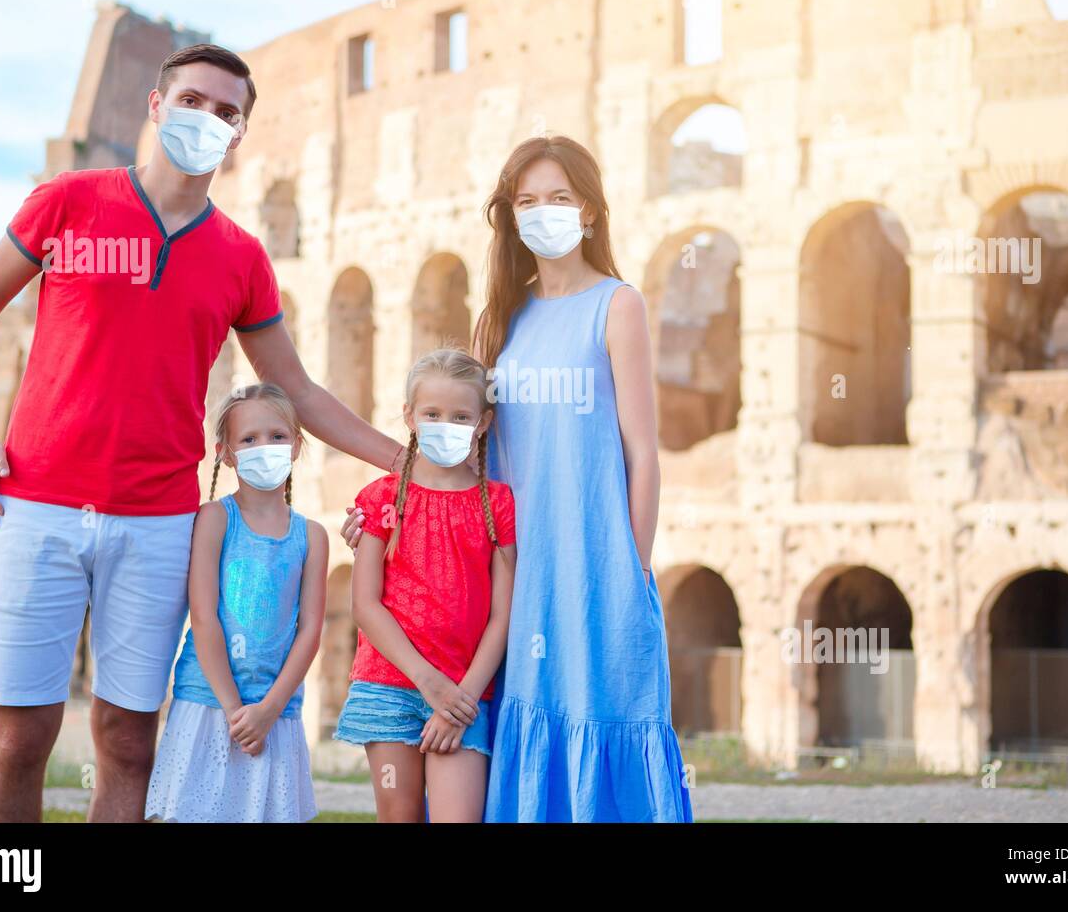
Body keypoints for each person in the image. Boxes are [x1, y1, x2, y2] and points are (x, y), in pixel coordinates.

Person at [0, 43, 408, 822]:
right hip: (37, 505)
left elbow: (295, 389)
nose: (208, 120)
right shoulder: (68, 201)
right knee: (16, 740)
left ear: (239, 138)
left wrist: (405, 462)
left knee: (128, 740)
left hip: (159, 522)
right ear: (157, 108)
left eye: (228, 114)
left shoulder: (240, 257)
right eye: (193, 101)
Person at [344, 135, 692, 821]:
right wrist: (390, 509)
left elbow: (642, 451)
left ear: (588, 211)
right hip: (505, 565)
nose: (543, 213)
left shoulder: (618, 306)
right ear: (510, 215)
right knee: (519, 725)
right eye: (527, 200)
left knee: (602, 712)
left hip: (594, 564)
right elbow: (456, 451)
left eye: (559, 198)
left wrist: (634, 563)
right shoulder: (499, 319)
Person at [333, 348, 516, 822]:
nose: (445, 424)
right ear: (410, 416)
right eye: (432, 414)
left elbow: (502, 615)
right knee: (400, 814)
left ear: (482, 423)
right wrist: (427, 681)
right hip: (390, 684)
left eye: (460, 416)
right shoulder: (381, 498)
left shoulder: (498, 504)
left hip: (464, 693)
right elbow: (366, 605)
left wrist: (462, 697)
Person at [146, 384, 326, 822]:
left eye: (277, 436)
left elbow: (310, 631)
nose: (265, 447)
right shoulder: (214, 519)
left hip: (275, 713)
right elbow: (204, 617)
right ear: (226, 453)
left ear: (297, 445)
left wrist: (268, 711)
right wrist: (234, 710)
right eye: (249, 439)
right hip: (210, 704)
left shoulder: (312, 537)